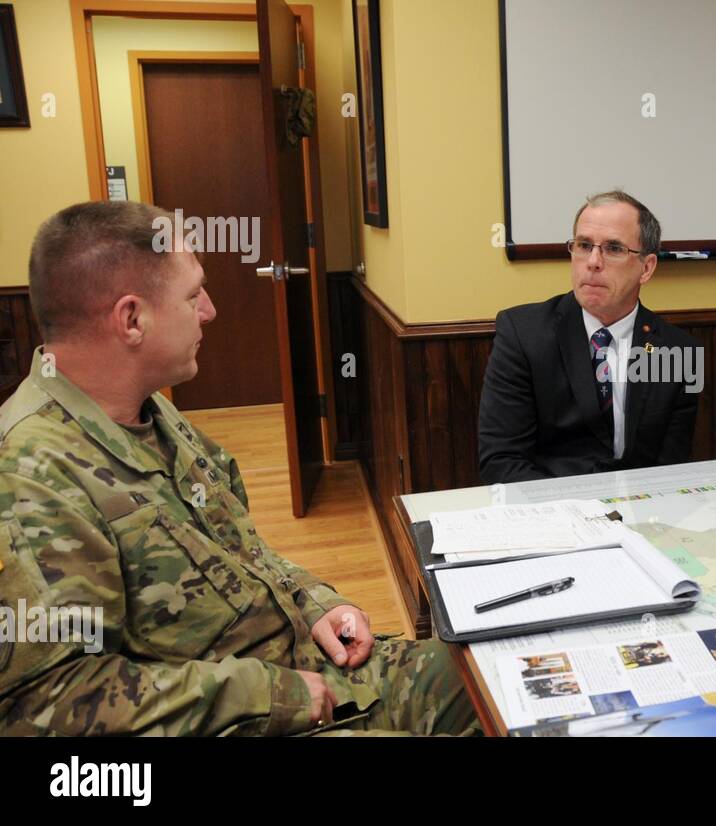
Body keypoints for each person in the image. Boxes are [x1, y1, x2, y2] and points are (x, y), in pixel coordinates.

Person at [0, 201, 477, 735]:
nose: (209, 310)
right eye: (192, 294)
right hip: (248, 719)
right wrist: (265, 693)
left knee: (496, 683)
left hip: (315, 671)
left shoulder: (150, 413)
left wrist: (316, 601)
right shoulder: (29, 477)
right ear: (132, 319)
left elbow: (242, 553)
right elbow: (46, 703)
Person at [478, 191, 700, 483]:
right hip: (553, 511)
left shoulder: (677, 350)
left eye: (614, 248)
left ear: (646, 268)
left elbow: (670, 466)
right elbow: (501, 461)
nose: (593, 261)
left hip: (641, 512)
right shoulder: (523, 334)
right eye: (583, 246)